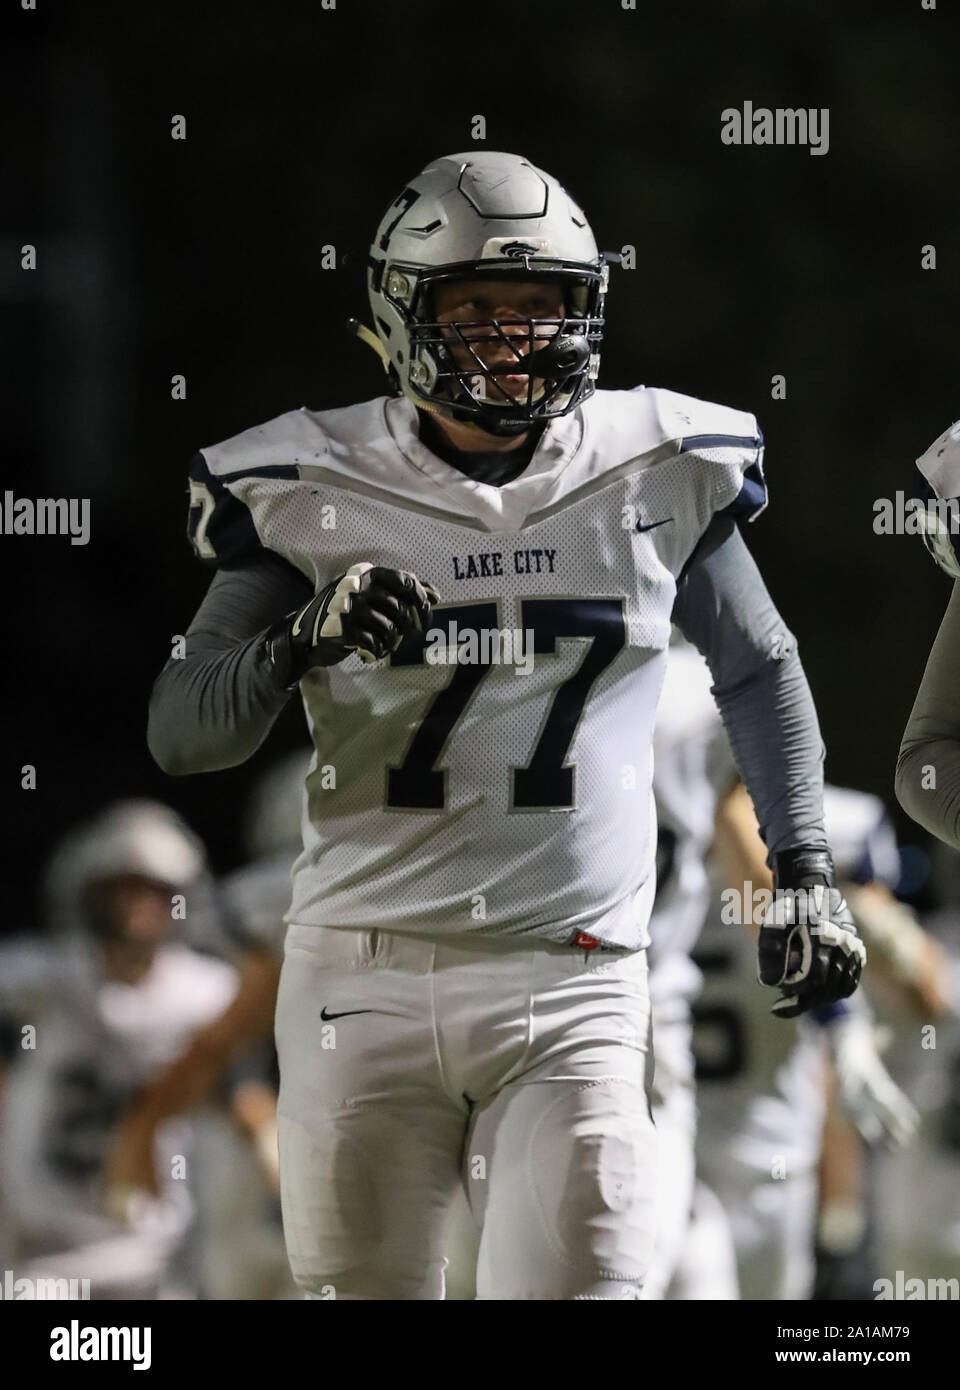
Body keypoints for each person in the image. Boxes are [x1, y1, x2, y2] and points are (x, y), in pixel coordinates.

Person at [148, 150, 864, 1300]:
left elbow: (761, 665)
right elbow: (184, 731)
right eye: (474, 306)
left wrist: (807, 866)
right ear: (399, 309)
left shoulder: (656, 462)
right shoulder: (312, 478)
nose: (509, 335)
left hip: (578, 975)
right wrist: (297, 645)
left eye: (538, 306)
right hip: (360, 978)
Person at [0, 802, 237, 1299]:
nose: (140, 905)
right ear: (89, 894)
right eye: (123, 888)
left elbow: (242, 1099)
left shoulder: (207, 995)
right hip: (44, 1249)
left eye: (156, 890)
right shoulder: (39, 982)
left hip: (157, 1252)